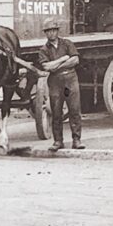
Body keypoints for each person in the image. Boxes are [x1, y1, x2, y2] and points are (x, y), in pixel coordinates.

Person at [40, 18, 84, 151]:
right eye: (48, 31)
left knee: (74, 109)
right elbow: (47, 67)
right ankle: (58, 141)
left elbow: (75, 60)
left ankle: (76, 140)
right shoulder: (43, 50)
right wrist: (64, 58)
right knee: (56, 112)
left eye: (53, 30)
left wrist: (57, 64)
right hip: (55, 82)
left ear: (57, 31)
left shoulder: (67, 43)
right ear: (45, 33)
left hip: (70, 79)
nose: (51, 34)